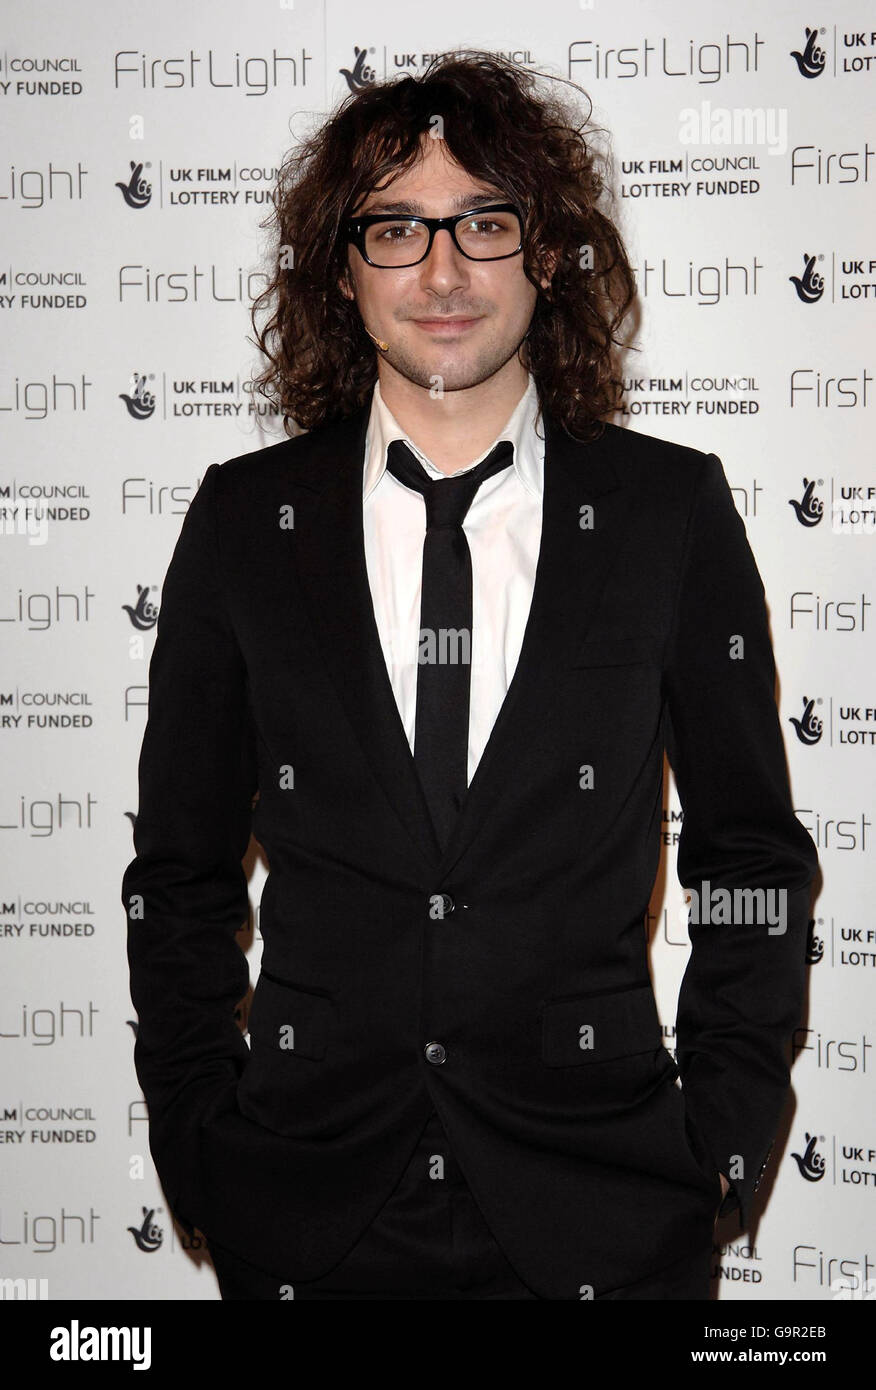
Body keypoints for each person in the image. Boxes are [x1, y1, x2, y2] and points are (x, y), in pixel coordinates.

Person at [121, 51, 819, 1300]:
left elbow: (752, 861)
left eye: (484, 222)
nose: (442, 271)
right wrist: (199, 1146)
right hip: (309, 1217)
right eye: (396, 228)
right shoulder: (245, 523)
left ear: (547, 255)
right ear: (342, 269)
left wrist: (716, 1147)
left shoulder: (670, 514)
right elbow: (176, 879)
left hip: (602, 1219)